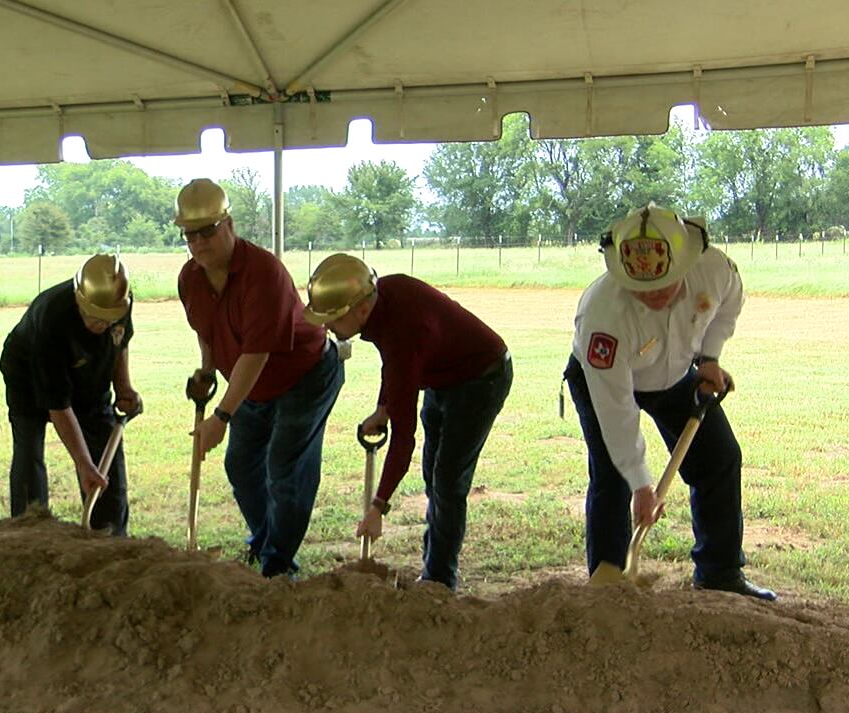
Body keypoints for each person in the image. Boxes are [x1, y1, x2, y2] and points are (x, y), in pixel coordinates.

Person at [564, 203, 775, 600]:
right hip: (605, 382)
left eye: (664, 285)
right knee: (612, 476)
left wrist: (709, 358)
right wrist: (641, 483)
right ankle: (608, 586)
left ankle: (719, 573)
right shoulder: (601, 316)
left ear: (685, 264)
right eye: (641, 289)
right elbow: (616, 410)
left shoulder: (715, 270)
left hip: (677, 373)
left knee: (719, 458)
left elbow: (729, 304)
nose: (654, 295)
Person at [304, 253, 512, 590]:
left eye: (333, 318)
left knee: (447, 481)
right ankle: (434, 567)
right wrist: (383, 408)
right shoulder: (383, 298)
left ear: (361, 310)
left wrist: (378, 507)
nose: (327, 327)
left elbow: (403, 438)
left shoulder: (403, 329)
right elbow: (393, 364)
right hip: (443, 376)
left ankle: (439, 580)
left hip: (481, 378)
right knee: (433, 475)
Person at [175, 178, 344, 578]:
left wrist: (221, 416)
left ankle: (278, 565)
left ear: (229, 225)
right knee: (241, 466)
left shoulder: (263, 272)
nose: (198, 243)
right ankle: (267, 539)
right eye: (189, 234)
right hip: (252, 382)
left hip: (305, 375)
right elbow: (206, 329)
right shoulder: (190, 278)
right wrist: (207, 367)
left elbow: (256, 354)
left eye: (207, 231)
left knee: (284, 469)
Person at [0, 254, 140, 535]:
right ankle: (30, 531)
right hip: (27, 375)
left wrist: (124, 386)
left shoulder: (119, 300)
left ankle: (109, 534)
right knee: (29, 449)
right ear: (79, 300)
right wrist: (83, 464)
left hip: (90, 374)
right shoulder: (52, 317)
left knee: (104, 449)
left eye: (108, 319)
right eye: (94, 318)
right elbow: (59, 406)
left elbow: (119, 341)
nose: (101, 325)